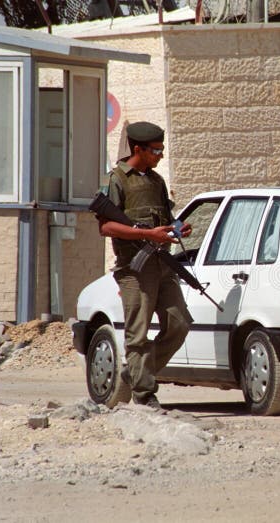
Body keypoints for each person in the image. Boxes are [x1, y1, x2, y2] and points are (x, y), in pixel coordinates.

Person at [97, 121, 193, 409]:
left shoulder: (156, 181)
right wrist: (145, 234)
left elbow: (164, 218)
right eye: (155, 150)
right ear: (137, 149)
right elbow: (106, 226)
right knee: (137, 334)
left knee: (180, 324)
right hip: (135, 270)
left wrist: (177, 228)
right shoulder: (115, 180)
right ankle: (144, 392)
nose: (160, 155)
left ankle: (137, 372)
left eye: (162, 150)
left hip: (163, 264)